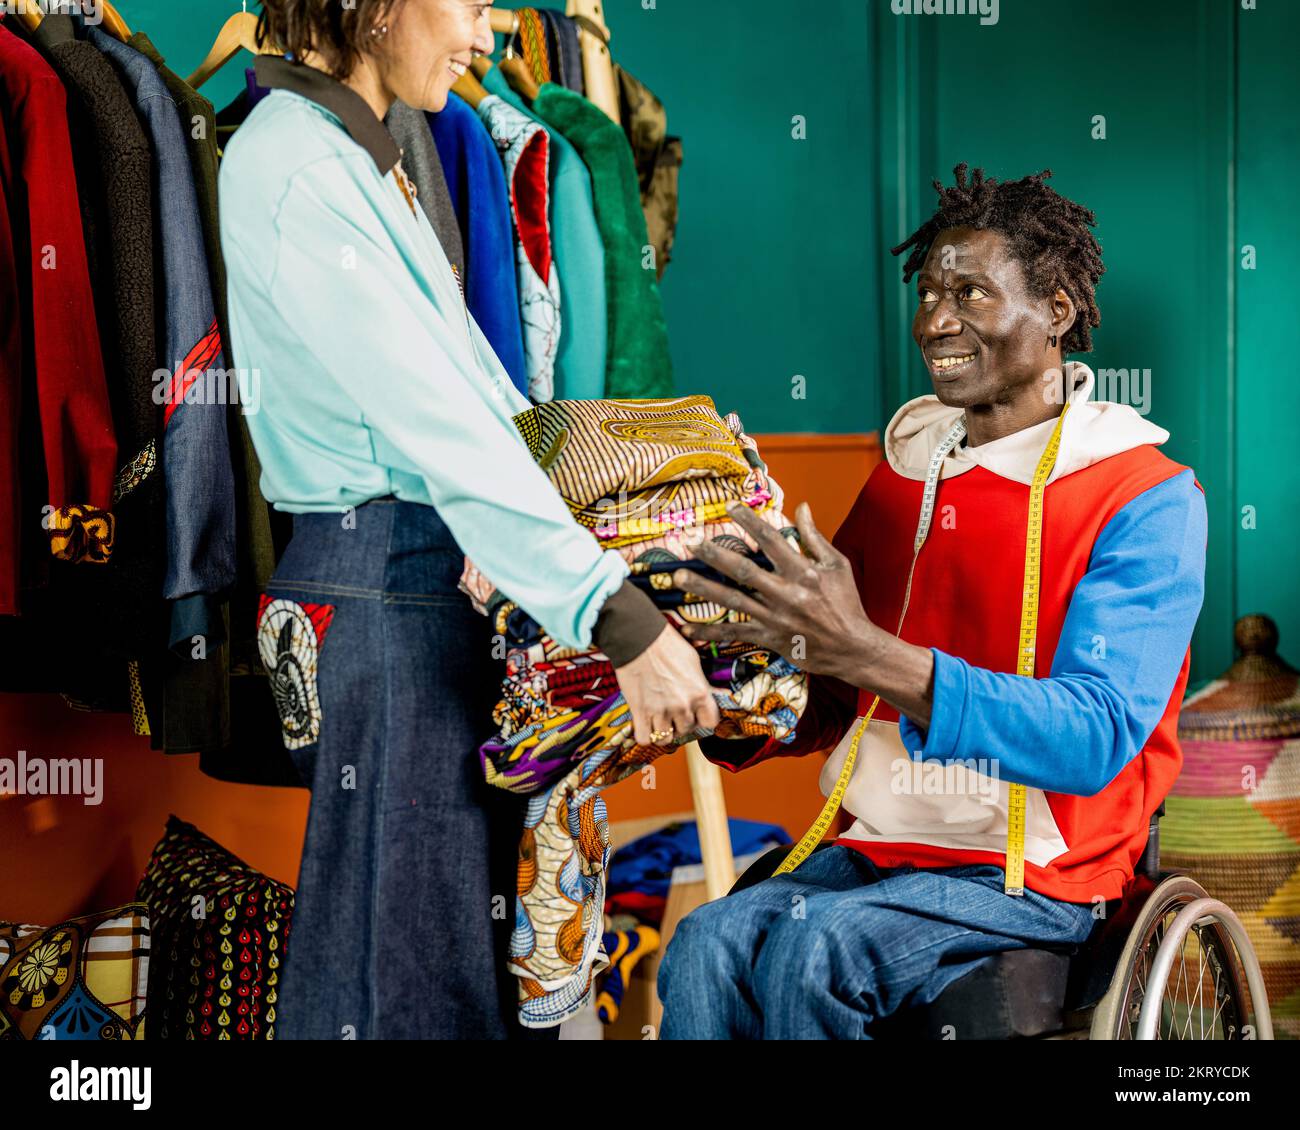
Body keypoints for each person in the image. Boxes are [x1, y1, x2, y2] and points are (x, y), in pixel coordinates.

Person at [217, 0, 719, 1040]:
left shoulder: (348, 151)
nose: (489, 35)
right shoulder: (307, 165)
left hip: (404, 575)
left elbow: (470, 393)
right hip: (385, 582)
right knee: (409, 979)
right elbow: (438, 419)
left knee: (401, 949)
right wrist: (614, 616)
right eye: (472, 3)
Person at [657, 164, 1208, 1040]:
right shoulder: (903, 475)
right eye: (927, 293)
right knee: (706, 941)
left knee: (816, 948)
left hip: (1041, 869)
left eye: (970, 293)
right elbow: (834, 693)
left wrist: (866, 649)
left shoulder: (1146, 496)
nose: (934, 321)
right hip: (883, 844)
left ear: (1058, 311)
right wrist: (720, 699)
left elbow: (1097, 734)